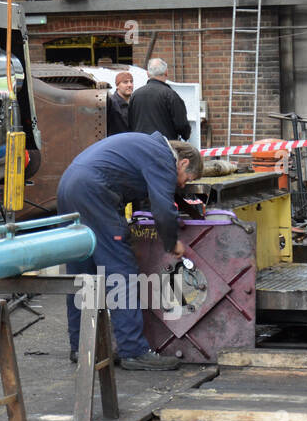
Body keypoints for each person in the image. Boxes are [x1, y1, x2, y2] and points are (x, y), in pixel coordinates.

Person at [60, 132, 203, 370]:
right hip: (94, 191)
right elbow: (163, 208)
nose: (182, 185)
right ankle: (133, 351)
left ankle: (82, 347)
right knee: (121, 272)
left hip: (69, 186)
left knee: (83, 273)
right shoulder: (162, 158)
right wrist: (172, 242)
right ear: (183, 162)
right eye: (186, 179)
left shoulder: (146, 146)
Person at [127, 58, 191, 140]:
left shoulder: (135, 95)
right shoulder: (171, 95)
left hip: (141, 145)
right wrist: (186, 135)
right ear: (166, 72)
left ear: (147, 74)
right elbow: (182, 125)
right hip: (163, 146)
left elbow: (130, 123)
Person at [105, 70, 133, 136]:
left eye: (131, 81)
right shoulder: (112, 103)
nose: (129, 85)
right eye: (125, 82)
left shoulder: (135, 102)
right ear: (117, 86)